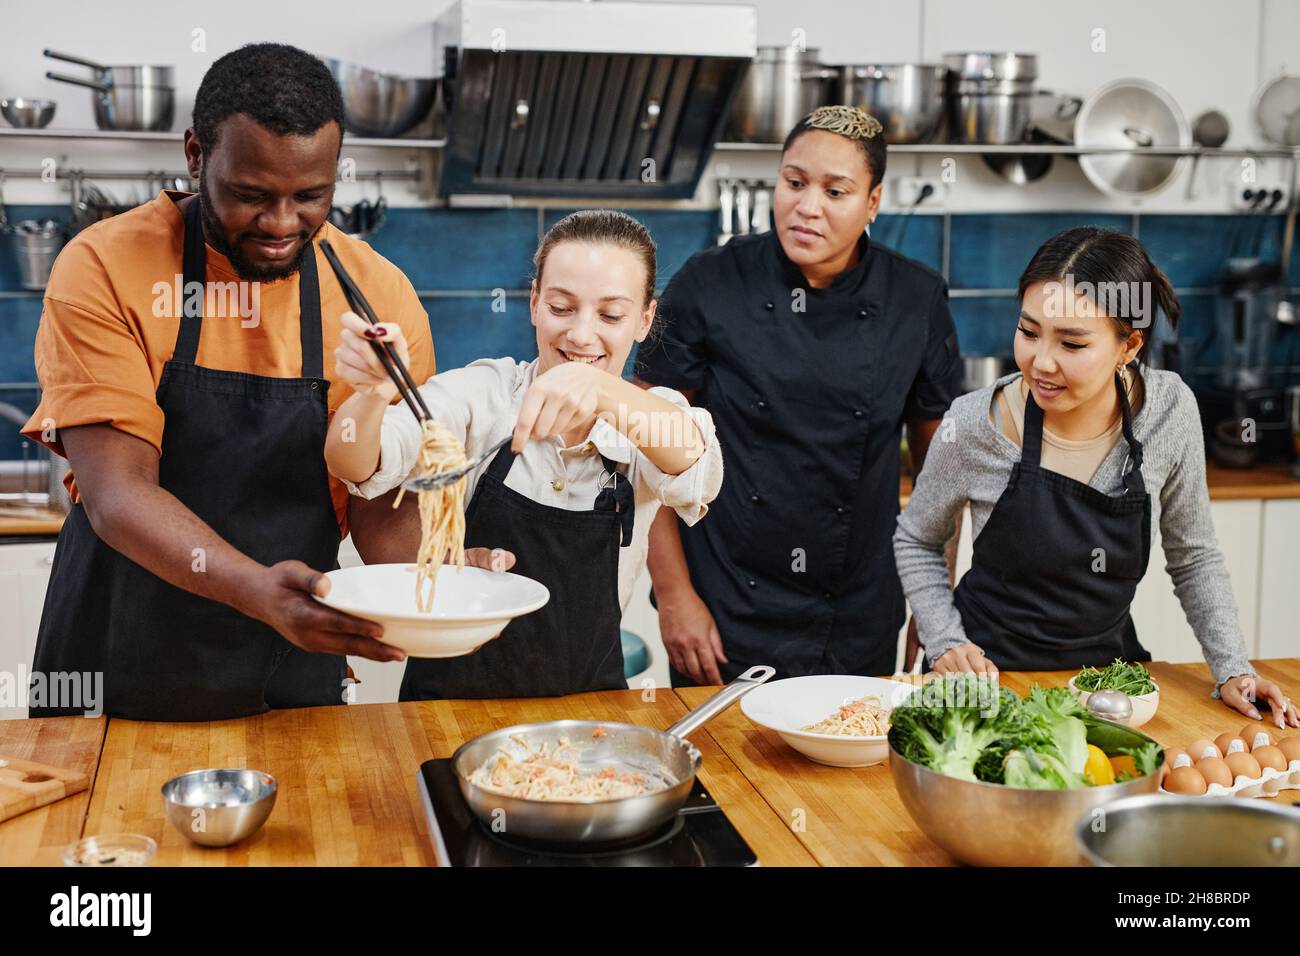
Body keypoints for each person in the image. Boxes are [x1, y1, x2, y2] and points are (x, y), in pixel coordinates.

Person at [22, 43, 444, 721]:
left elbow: (379, 500)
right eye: (251, 196)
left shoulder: (380, 298)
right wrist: (258, 590)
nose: (281, 224)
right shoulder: (104, 266)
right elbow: (117, 491)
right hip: (116, 644)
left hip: (292, 651)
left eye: (312, 197)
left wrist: (441, 579)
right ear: (195, 154)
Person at [894, 227, 1298, 727]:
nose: (1041, 362)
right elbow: (916, 539)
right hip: (988, 685)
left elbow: (1194, 555)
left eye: (1072, 342)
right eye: (1028, 331)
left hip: (1110, 688)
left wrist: (1233, 670)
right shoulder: (976, 422)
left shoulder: (1169, 410)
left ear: (1129, 345)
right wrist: (947, 642)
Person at [325, 210, 723, 699]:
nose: (580, 334)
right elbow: (353, 462)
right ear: (534, 302)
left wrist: (599, 392)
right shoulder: (484, 394)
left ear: (645, 320)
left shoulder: (650, 419)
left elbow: (698, 467)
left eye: (611, 316)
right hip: (448, 707)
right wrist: (369, 395)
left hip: (589, 713)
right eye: (561, 307)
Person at [635, 106, 963, 685]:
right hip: (725, 603)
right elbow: (649, 446)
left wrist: (937, 608)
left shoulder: (916, 299)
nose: (807, 207)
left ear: (873, 202)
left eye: (835, 191)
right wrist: (674, 594)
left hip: (857, 609)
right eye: (794, 182)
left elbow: (941, 470)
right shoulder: (710, 282)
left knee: (848, 770)